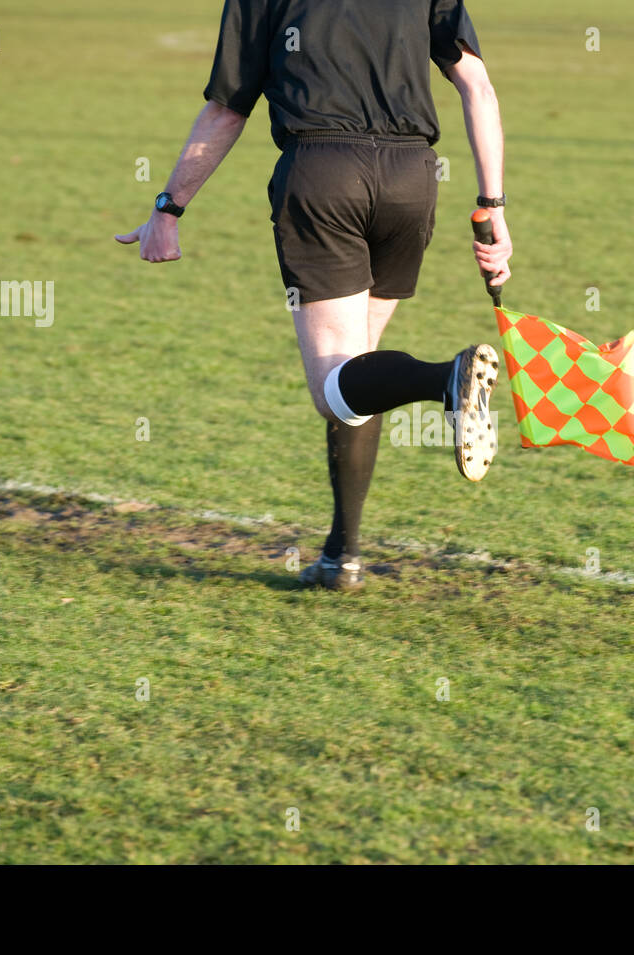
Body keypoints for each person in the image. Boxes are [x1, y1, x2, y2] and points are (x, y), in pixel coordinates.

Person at [116, 0, 513, 592]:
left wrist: (168, 209)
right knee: (362, 373)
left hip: (325, 175)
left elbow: (227, 110)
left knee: (334, 389)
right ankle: (342, 557)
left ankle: (445, 379)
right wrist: (493, 204)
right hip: (412, 178)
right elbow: (476, 85)